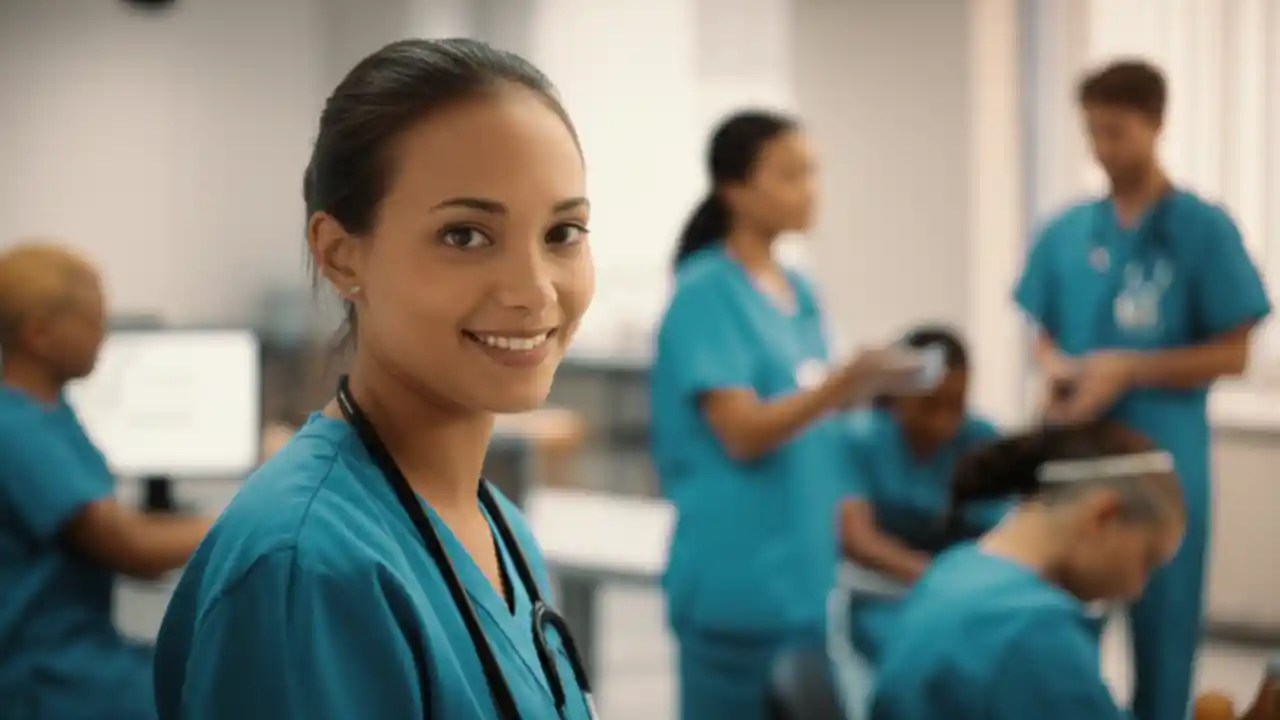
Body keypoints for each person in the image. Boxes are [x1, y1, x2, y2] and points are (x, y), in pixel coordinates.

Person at [153, 39, 596, 719]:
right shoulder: (306, 571)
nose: (535, 292)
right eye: (466, 236)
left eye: (563, 232)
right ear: (339, 255)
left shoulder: (501, 529)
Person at [1015, 60, 1272, 720]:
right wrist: (1058, 369)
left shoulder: (1202, 229)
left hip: (1163, 455)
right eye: (1093, 132)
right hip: (1079, 451)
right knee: (1060, 616)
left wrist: (1129, 369)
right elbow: (1040, 330)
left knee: (1165, 626)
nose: (1103, 148)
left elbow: (1236, 352)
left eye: (1117, 132)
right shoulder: (1069, 229)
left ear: (1157, 124)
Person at [650, 110, 923, 720]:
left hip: (803, 583)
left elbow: (815, 419)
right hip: (734, 581)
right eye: (790, 174)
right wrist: (839, 384)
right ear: (734, 189)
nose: (810, 189)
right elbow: (743, 433)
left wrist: (870, 387)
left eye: (813, 172)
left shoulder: (801, 292)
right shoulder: (705, 293)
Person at [0, 243, 213, 720]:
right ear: (39, 332)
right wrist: (242, 523)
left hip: (76, 653)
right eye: (93, 321)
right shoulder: (14, 427)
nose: (103, 335)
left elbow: (107, 524)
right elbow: (127, 546)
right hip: (42, 676)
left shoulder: (51, 411)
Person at [870, 421, 1185, 719]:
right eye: (1147, 560)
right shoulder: (1032, 630)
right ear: (1103, 516)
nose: (1137, 589)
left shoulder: (951, 570)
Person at [839, 325, 1004, 663]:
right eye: (930, 404)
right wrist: (937, 578)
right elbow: (858, 540)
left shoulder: (980, 440)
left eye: (956, 405)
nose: (944, 421)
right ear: (898, 394)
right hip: (882, 596)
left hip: (964, 594)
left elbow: (1005, 532)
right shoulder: (861, 439)